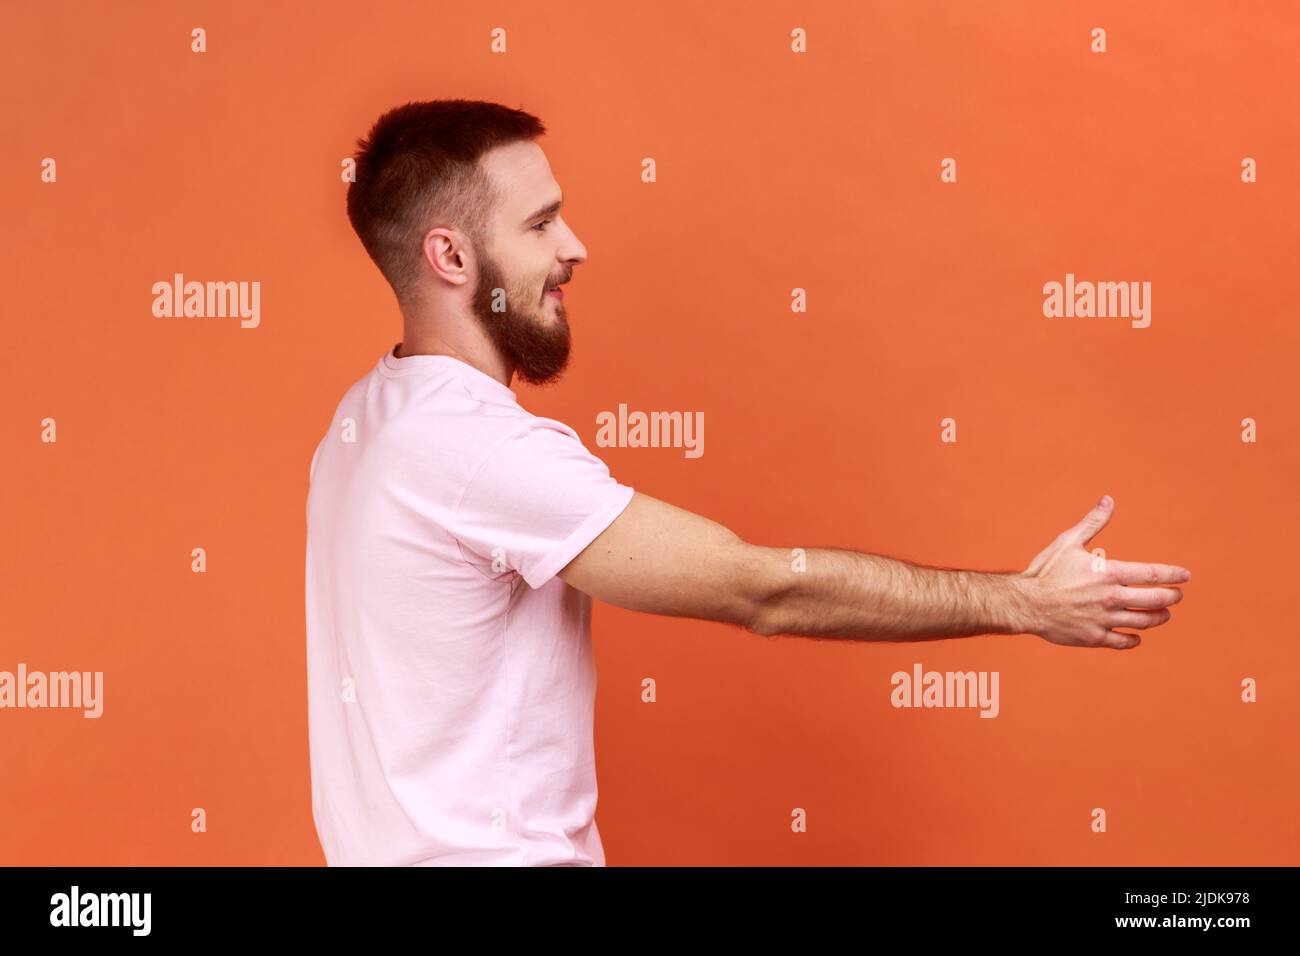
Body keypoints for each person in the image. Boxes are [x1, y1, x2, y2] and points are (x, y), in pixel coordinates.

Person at [304, 98, 1191, 867]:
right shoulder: (479, 451)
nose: (576, 247)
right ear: (452, 259)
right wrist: (1022, 603)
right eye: (539, 225)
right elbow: (759, 588)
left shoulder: (364, 423)